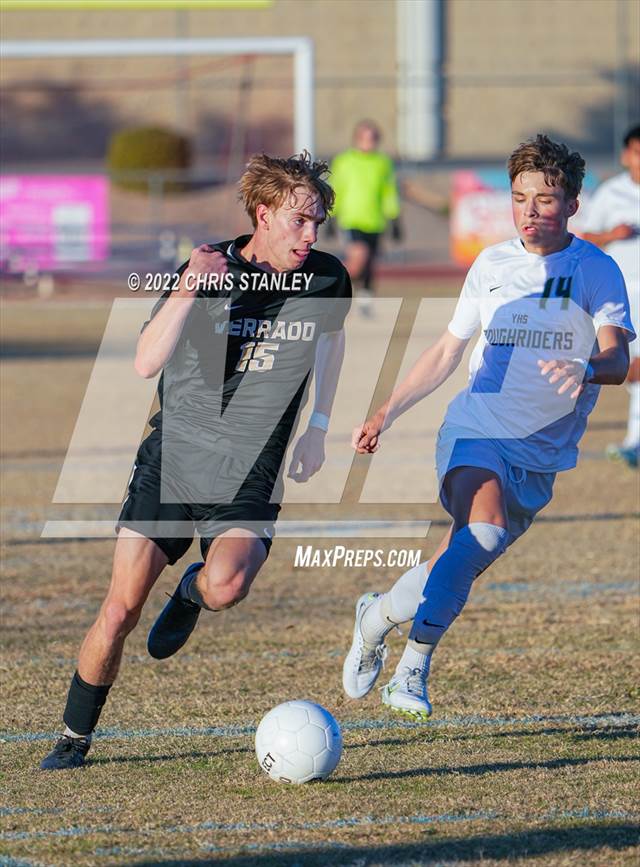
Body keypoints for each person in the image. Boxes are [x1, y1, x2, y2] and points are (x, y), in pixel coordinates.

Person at [40, 152, 351, 769]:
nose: (311, 235)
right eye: (300, 220)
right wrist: (189, 286)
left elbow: (332, 341)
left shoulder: (326, 278)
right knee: (120, 609)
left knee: (226, 584)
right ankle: (74, 738)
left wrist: (318, 425)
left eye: (317, 222)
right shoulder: (207, 267)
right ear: (263, 215)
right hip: (174, 461)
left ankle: (190, 592)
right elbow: (145, 361)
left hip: (251, 469)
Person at [343, 134, 634, 720]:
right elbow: (447, 351)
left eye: (545, 199)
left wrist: (584, 367)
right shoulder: (492, 265)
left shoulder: (596, 270)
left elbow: (617, 359)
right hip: (476, 428)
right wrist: (385, 411)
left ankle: (375, 617)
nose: (530, 211)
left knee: (455, 559)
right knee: (483, 531)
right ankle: (411, 670)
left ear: (573, 204)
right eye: (520, 198)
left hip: (541, 456)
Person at [582, 124, 640, 468]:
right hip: (620, 295)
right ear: (626, 155)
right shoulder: (611, 193)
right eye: (638, 153)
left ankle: (634, 442)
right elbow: (586, 238)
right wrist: (612, 235)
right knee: (629, 369)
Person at [329, 120, 401, 311]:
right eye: (365, 138)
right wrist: (332, 216)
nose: (369, 142)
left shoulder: (383, 163)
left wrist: (394, 218)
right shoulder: (344, 161)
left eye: (373, 138)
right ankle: (332, 287)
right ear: (357, 138)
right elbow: (337, 188)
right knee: (359, 257)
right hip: (351, 219)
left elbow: (389, 192)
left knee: (369, 262)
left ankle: (365, 298)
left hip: (375, 221)